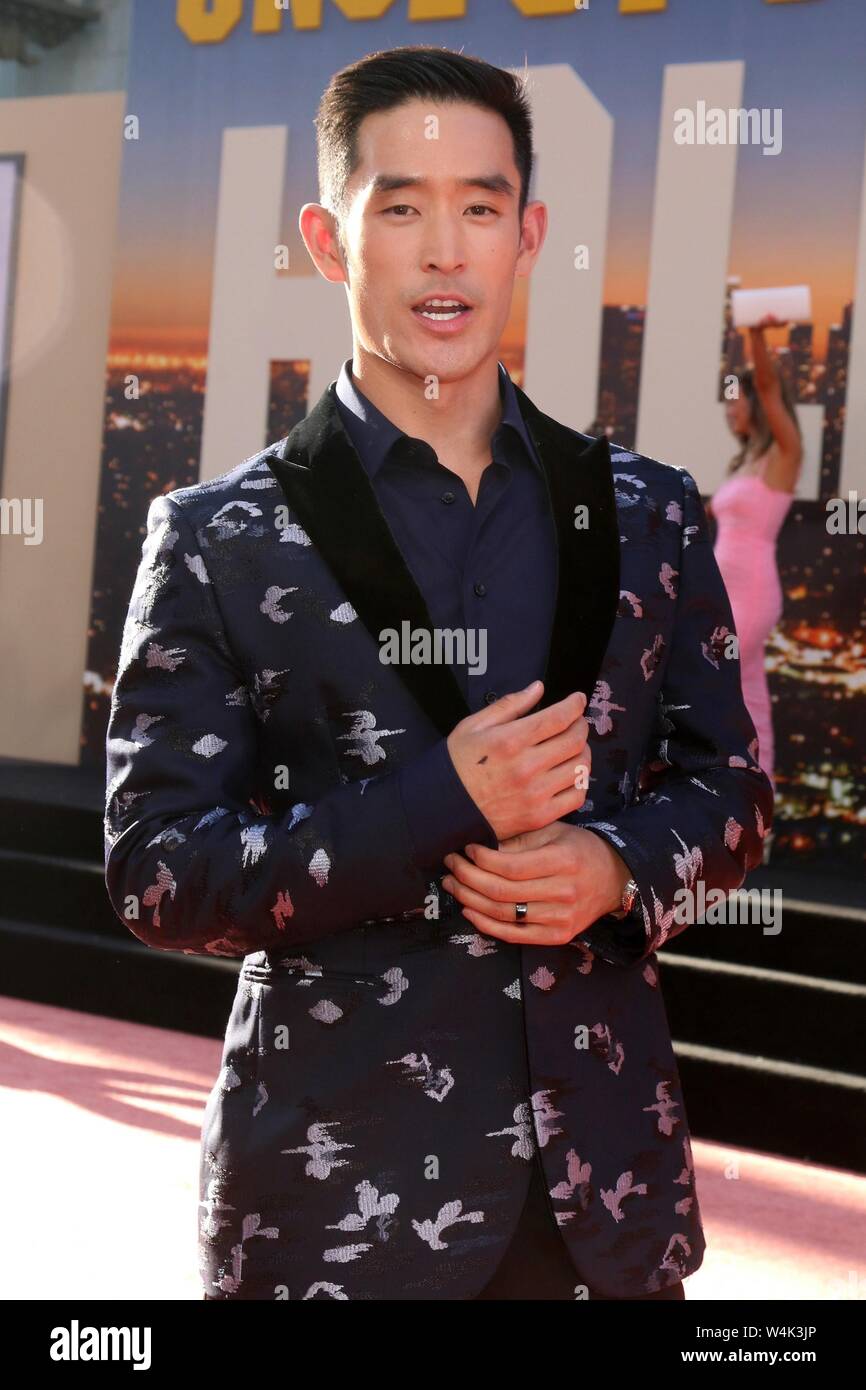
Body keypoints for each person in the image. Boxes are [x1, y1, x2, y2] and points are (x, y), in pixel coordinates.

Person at [104, 45, 774, 1301]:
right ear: (326, 235)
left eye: (478, 207)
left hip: (603, 1213)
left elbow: (730, 794)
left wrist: (614, 865)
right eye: (399, 206)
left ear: (528, 234)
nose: (443, 250)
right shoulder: (218, 537)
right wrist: (436, 804)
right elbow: (156, 877)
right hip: (330, 1212)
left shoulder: (648, 510)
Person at [710, 317, 803, 801]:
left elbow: (768, 382)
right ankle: (754, 799)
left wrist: (756, 335)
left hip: (751, 593)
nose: (729, 411)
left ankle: (742, 799)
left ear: (760, 406)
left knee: (720, 681)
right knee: (748, 694)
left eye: (735, 400)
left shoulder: (784, 453)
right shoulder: (745, 460)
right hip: (727, 592)